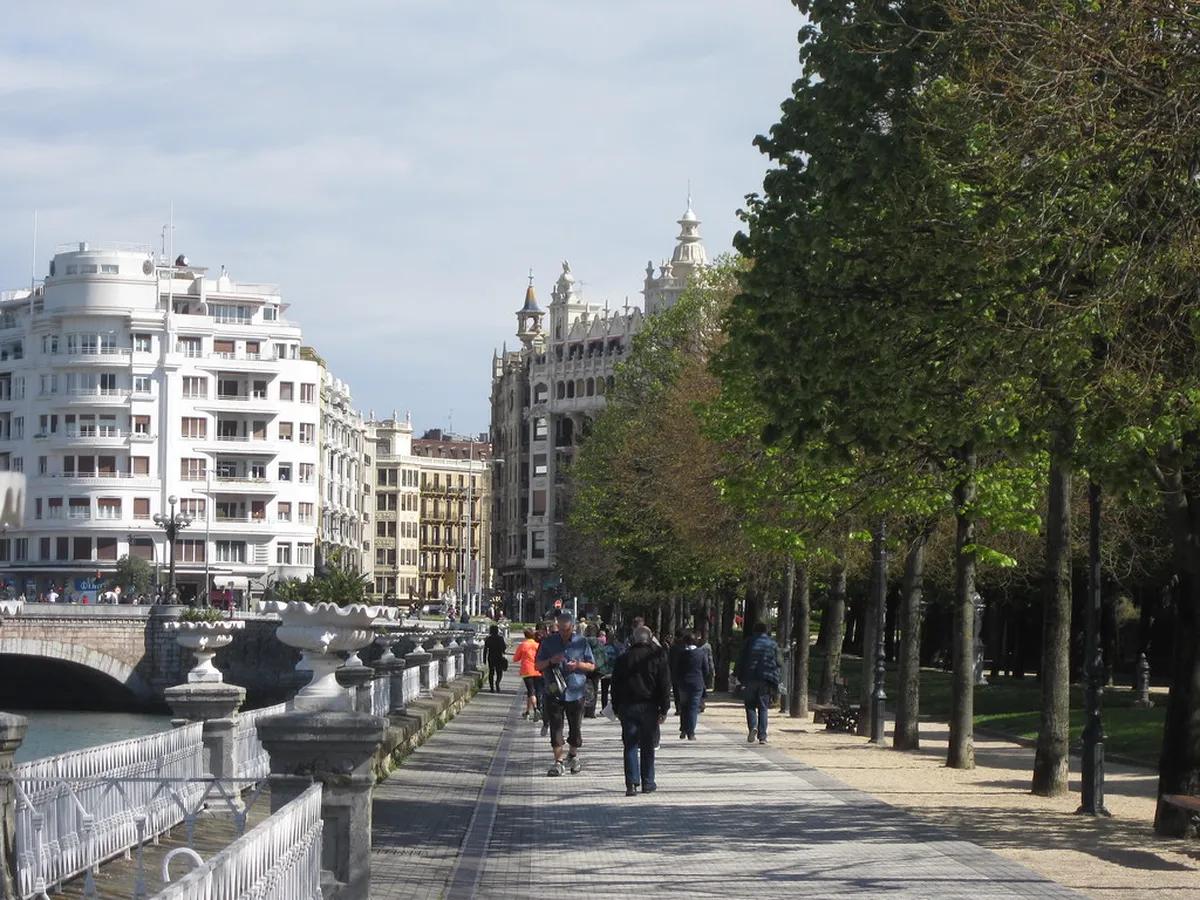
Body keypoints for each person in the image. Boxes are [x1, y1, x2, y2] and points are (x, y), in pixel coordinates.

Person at [611, 625, 671, 796]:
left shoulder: (623, 658)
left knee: (630, 745)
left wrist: (615, 707)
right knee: (647, 745)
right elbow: (664, 684)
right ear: (650, 639)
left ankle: (631, 783)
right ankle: (648, 782)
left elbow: (615, 685)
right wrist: (664, 708)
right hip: (649, 706)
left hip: (627, 706)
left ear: (633, 639)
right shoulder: (657, 657)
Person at [535, 610, 595, 777]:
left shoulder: (581, 642)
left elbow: (592, 666)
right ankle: (558, 762)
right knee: (556, 727)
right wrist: (550, 661)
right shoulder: (548, 642)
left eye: (567, 630)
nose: (563, 633)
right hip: (554, 691)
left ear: (573, 627)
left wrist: (578, 665)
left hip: (576, 691)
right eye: (560, 629)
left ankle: (573, 755)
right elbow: (537, 666)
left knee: (575, 727)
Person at [735, 621, 781, 744]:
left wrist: (737, 675)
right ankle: (762, 736)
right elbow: (779, 662)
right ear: (766, 631)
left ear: (754, 631)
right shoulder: (772, 643)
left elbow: (740, 659)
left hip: (749, 678)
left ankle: (752, 727)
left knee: (750, 705)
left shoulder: (748, 642)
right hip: (766, 678)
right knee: (763, 707)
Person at [671, 631, 713, 740]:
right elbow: (706, 669)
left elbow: (676, 669)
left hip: (683, 684)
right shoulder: (701, 653)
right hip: (697, 684)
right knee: (693, 708)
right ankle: (691, 732)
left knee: (684, 706)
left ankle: (683, 729)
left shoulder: (681, 654)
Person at [513, 627, 542, 719]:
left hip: (527, 670)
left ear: (525, 635)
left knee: (531, 691)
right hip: (537, 670)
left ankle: (535, 709)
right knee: (533, 691)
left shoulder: (523, 645)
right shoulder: (537, 645)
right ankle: (527, 712)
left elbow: (515, 658)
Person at [484, 625, 507, 692]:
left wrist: (484, 658)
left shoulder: (489, 638)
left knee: (491, 672)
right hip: (499, 656)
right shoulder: (500, 638)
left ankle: (491, 688)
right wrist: (503, 651)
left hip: (491, 657)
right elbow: (504, 647)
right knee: (499, 672)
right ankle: (497, 683)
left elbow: (485, 649)